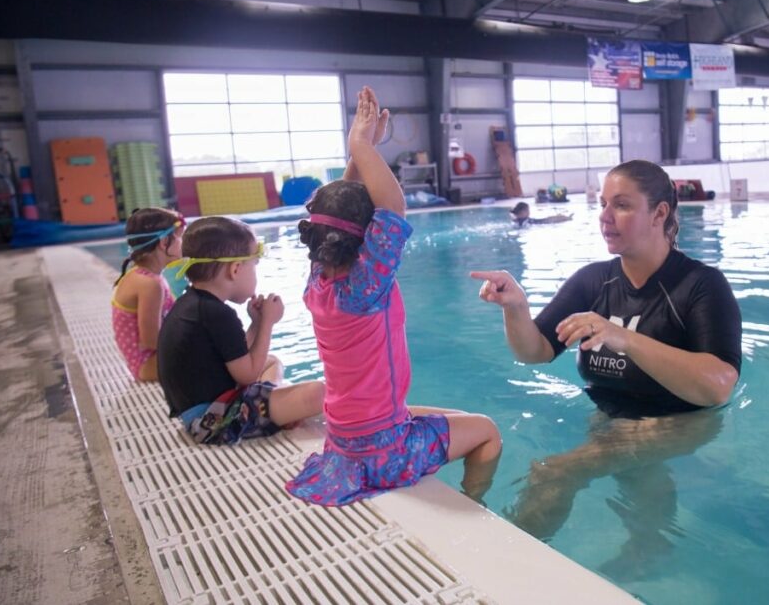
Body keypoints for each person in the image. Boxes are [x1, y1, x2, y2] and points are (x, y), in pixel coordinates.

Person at [471, 159, 741, 559]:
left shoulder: (700, 285)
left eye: (622, 205)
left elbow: (718, 385)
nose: (605, 217)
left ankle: (507, 571)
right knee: (639, 479)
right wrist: (516, 308)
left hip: (679, 421)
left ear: (660, 213)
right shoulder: (594, 281)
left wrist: (625, 338)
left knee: (556, 472)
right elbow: (536, 351)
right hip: (611, 415)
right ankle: (650, 552)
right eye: (603, 204)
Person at [286, 86, 501, 507]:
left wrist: (361, 152)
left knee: (445, 415)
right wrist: (361, 144)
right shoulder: (368, 287)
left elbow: (336, 208)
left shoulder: (319, 284)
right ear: (370, 237)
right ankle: (476, 504)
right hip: (383, 453)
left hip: (346, 442)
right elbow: (394, 208)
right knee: (487, 429)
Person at [157, 216, 324, 445]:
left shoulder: (193, 303)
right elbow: (247, 375)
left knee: (271, 361)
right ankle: (280, 408)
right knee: (317, 392)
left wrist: (255, 323)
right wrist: (267, 322)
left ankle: (278, 406)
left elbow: (238, 358)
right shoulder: (218, 314)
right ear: (235, 269)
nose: (255, 274)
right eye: (254, 266)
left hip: (198, 412)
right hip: (214, 422)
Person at [111, 207, 185, 382]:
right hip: (147, 365)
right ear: (163, 242)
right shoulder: (150, 285)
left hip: (149, 360)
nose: (183, 242)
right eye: (180, 236)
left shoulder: (143, 275)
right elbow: (151, 340)